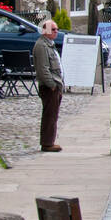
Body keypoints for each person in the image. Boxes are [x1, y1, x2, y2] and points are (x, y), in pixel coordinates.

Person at [33, 18, 63, 152]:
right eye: (53, 29)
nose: (56, 32)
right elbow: (43, 68)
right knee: (49, 115)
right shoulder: (41, 46)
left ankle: (49, 140)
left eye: (57, 29)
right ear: (45, 31)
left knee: (53, 114)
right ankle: (47, 143)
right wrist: (51, 84)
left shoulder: (49, 44)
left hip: (56, 85)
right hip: (49, 87)